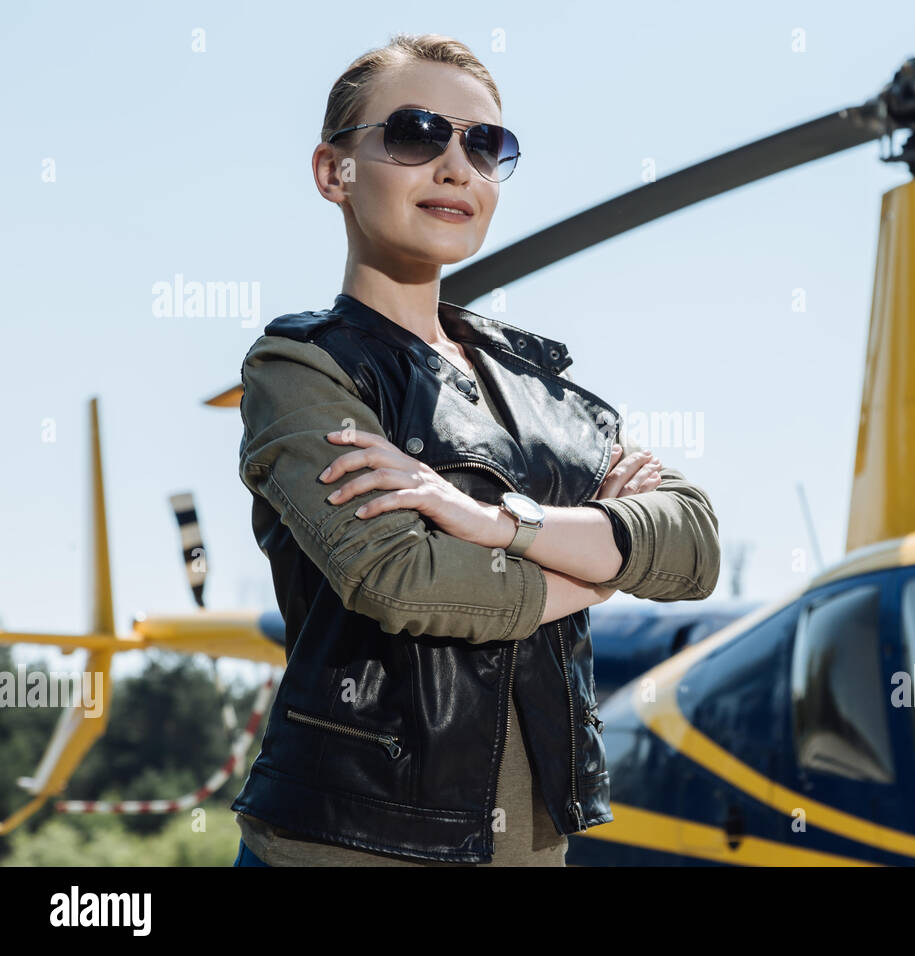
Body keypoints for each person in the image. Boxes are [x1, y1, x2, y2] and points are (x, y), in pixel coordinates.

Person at [229, 33, 721, 866]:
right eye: (416, 133)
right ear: (333, 172)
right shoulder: (303, 370)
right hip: (351, 839)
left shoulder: (539, 384)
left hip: (534, 845)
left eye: (485, 144)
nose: (457, 166)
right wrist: (601, 561)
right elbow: (404, 581)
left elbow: (691, 544)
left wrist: (497, 525)